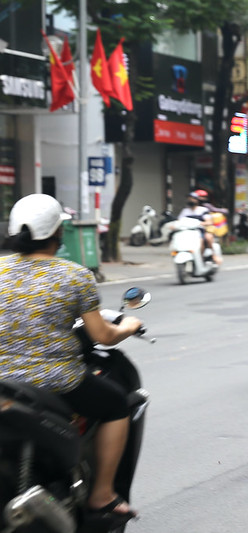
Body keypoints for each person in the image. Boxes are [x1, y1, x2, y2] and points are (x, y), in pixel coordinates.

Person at [0, 194, 142, 520]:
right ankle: (102, 495)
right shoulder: (74, 276)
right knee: (117, 404)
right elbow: (101, 336)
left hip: (3, 383)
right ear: (58, 233)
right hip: (54, 381)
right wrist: (130, 326)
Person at [178, 190, 222, 264]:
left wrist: (201, 223)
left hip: (199, 231)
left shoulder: (203, 210)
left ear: (197, 200)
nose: (190, 200)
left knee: (203, 240)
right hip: (187, 232)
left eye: (193, 198)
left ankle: (207, 257)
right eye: (189, 199)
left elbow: (209, 221)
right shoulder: (185, 211)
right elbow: (179, 221)